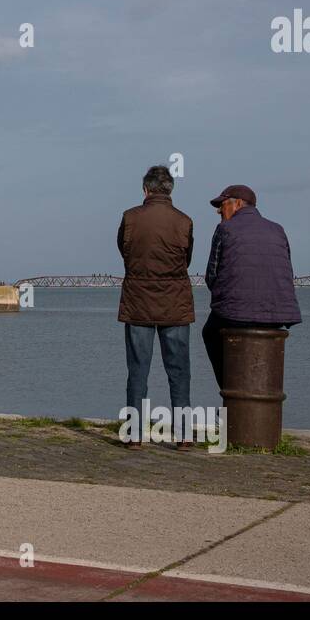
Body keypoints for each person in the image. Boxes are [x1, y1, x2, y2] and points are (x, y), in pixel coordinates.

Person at [116, 165, 194, 449]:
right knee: (179, 371)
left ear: (145, 190)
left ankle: (135, 434)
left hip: (138, 304)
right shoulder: (184, 221)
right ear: (170, 189)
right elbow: (186, 260)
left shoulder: (130, 218)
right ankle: (184, 435)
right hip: (175, 304)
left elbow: (124, 252)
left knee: (138, 370)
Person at [202, 185, 301, 390]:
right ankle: (259, 388)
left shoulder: (224, 229)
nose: (219, 211)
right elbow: (286, 273)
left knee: (210, 333)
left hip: (235, 314)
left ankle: (230, 389)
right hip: (277, 314)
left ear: (237, 203)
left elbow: (211, 276)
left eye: (222, 205)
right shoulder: (278, 229)